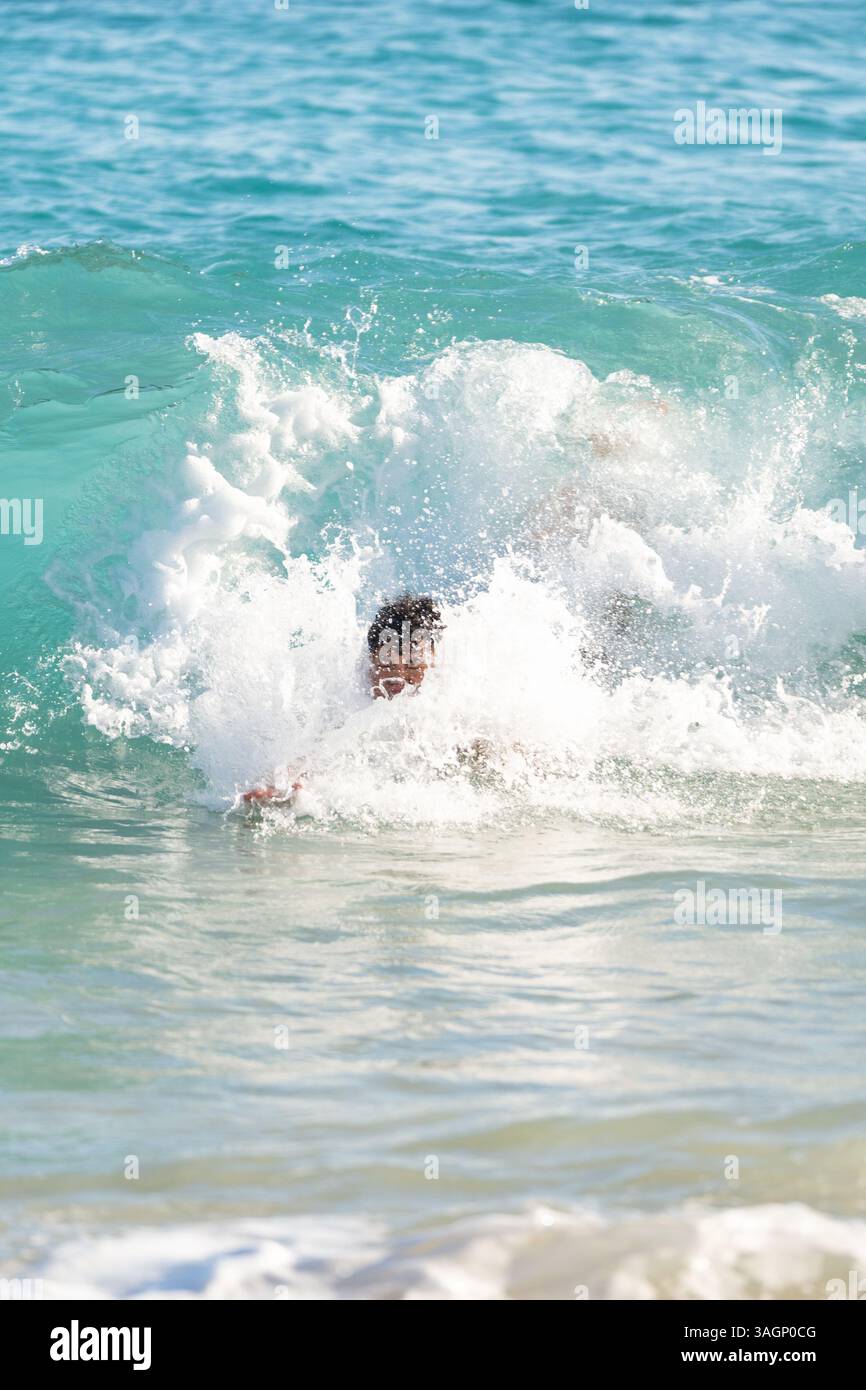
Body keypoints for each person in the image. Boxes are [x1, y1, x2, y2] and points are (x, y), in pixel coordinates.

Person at [242, 594, 443, 805]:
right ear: (372, 657)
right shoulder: (343, 687)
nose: (400, 678)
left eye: (412, 666)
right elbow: (314, 746)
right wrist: (282, 782)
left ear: (431, 659)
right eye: (389, 664)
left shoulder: (449, 689)